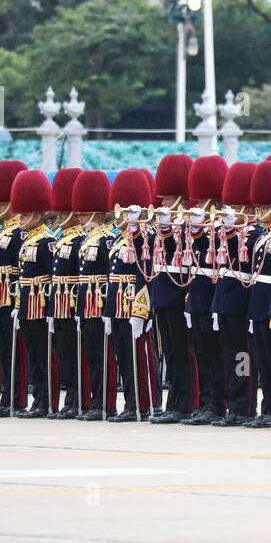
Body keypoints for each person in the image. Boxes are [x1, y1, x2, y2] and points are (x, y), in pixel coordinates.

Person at [104, 170, 155, 422]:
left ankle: (142, 404)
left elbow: (146, 273)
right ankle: (130, 403)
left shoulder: (147, 236)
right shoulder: (117, 238)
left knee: (139, 358)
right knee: (123, 356)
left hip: (134, 303)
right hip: (116, 304)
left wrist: (141, 310)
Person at [210, 161, 257, 426]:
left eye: (238, 207)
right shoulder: (225, 233)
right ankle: (233, 405)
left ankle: (245, 406)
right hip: (225, 304)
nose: (233, 212)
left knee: (243, 359)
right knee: (229, 357)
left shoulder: (253, 234)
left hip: (241, 305)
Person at [183, 156, 230, 424]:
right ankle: (207, 400)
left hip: (217, 292)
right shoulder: (196, 222)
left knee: (220, 352)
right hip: (199, 292)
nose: (201, 205)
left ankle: (219, 403)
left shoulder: (227, 223)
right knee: (203, 352)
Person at [149, 154, 193, 424]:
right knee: (171, 353)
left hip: (180, 293)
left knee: (182, 351)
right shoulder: (162, 224)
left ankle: (184, 402)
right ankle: (173, 402)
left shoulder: (190, 224)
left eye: (167, 197)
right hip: (162, 295)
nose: (162, 202)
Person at [9, 170, 56, 416]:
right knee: (34, 356)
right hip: (27, 302)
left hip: (41, 304)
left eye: (25, 214)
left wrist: (50, 308)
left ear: (38, 215)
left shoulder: (46, 241)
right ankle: (37, 399)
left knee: (45, 355)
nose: (21, 217)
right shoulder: (27, 240)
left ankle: (45, 400)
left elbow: (53, 276)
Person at [0, 160, 30, 416]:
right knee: (2, 350)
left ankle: (17, 399)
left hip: (13, 297)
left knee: (16, 353)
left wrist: (19, 303)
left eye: (5, 203)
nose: (0, 208)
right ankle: (5, 397)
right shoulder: (3, 232)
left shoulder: (19, 234)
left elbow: (21, 270)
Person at [73, 171, 115, 422]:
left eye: (83, 212)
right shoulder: (87, 238)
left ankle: (105, 403)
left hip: (100, 303)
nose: (79, 216)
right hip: (86, 304)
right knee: (91, 356)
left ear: (97, 213)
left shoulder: (108, 240)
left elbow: (111, 276)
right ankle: (94, 401)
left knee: (104, 357)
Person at [246, 161, 271, 427]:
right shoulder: (263, 235)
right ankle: (268, 406)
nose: (260, 210)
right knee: (263, 361)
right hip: (259, 302)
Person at [45, 169, 83, 419]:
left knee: (76, 353)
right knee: (64, 353)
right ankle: (69, 398)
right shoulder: (60, 239)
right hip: (58, 301)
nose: (58, 214)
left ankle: (78, 398)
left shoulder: (81, 239)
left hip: (76, 302)